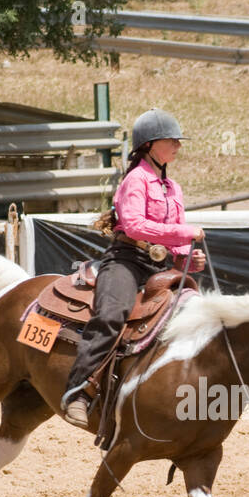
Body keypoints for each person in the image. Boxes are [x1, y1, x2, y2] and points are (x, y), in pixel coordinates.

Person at [61, 107, 206, 428]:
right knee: (111, 315)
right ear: (151, 144)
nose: (178, 147)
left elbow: (175, 244)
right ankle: (78, 393)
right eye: (172, 141)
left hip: (159, 265)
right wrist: (184, 233)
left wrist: (188, 260)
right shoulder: (135, 180)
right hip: (125, 260)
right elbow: (135, 225)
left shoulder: (174, 188)